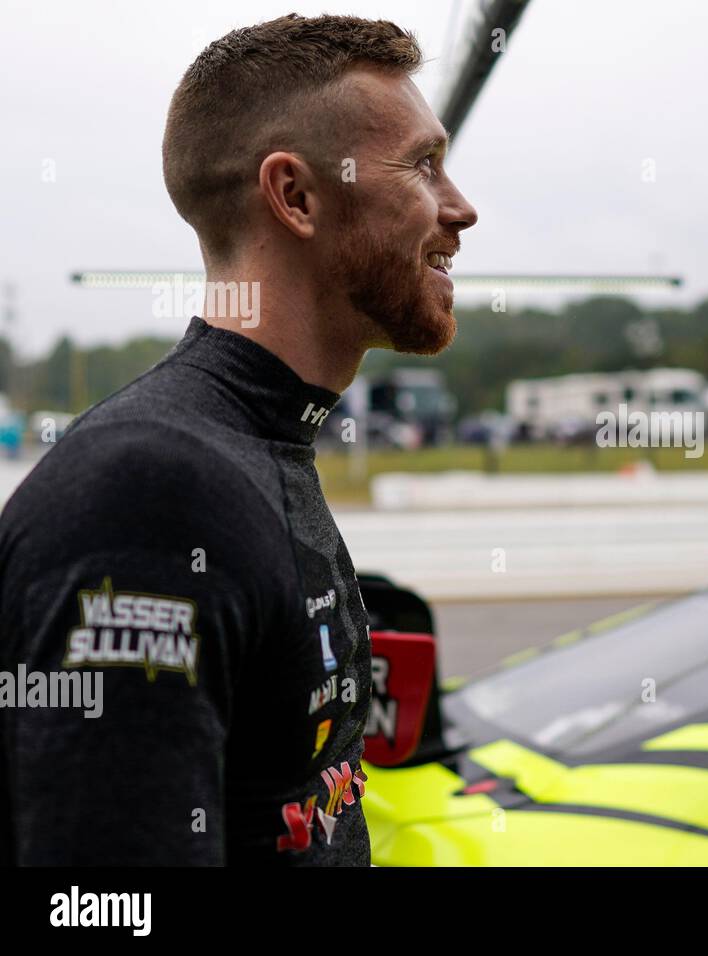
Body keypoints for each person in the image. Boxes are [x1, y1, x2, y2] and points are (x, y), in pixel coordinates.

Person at [0, 14, 477, 864]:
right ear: (295, 196)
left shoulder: (256, 445)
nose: (461, 209)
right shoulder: (148, 491)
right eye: (423, 165)